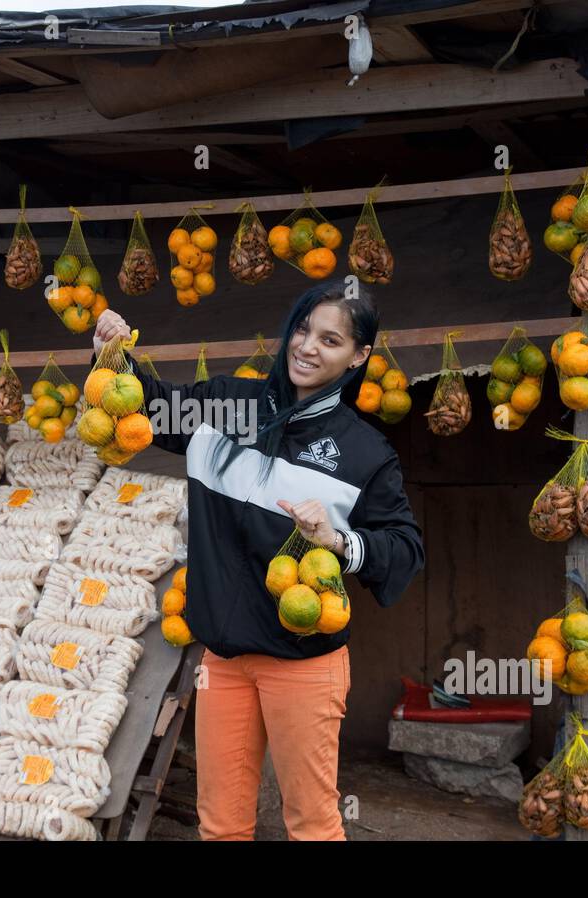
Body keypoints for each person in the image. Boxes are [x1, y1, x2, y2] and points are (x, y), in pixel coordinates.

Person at [91, 282, 424, 840]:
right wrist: (113, 350)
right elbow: (146, 404)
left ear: (359, 356)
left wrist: (338, 540)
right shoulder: (228, 406)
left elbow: (403, 549)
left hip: (303, 664)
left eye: (330, 339)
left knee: (312, 824)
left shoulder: (364, 452)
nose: (308, 347)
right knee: (220, 826)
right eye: (302, 329)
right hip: (222, 658)